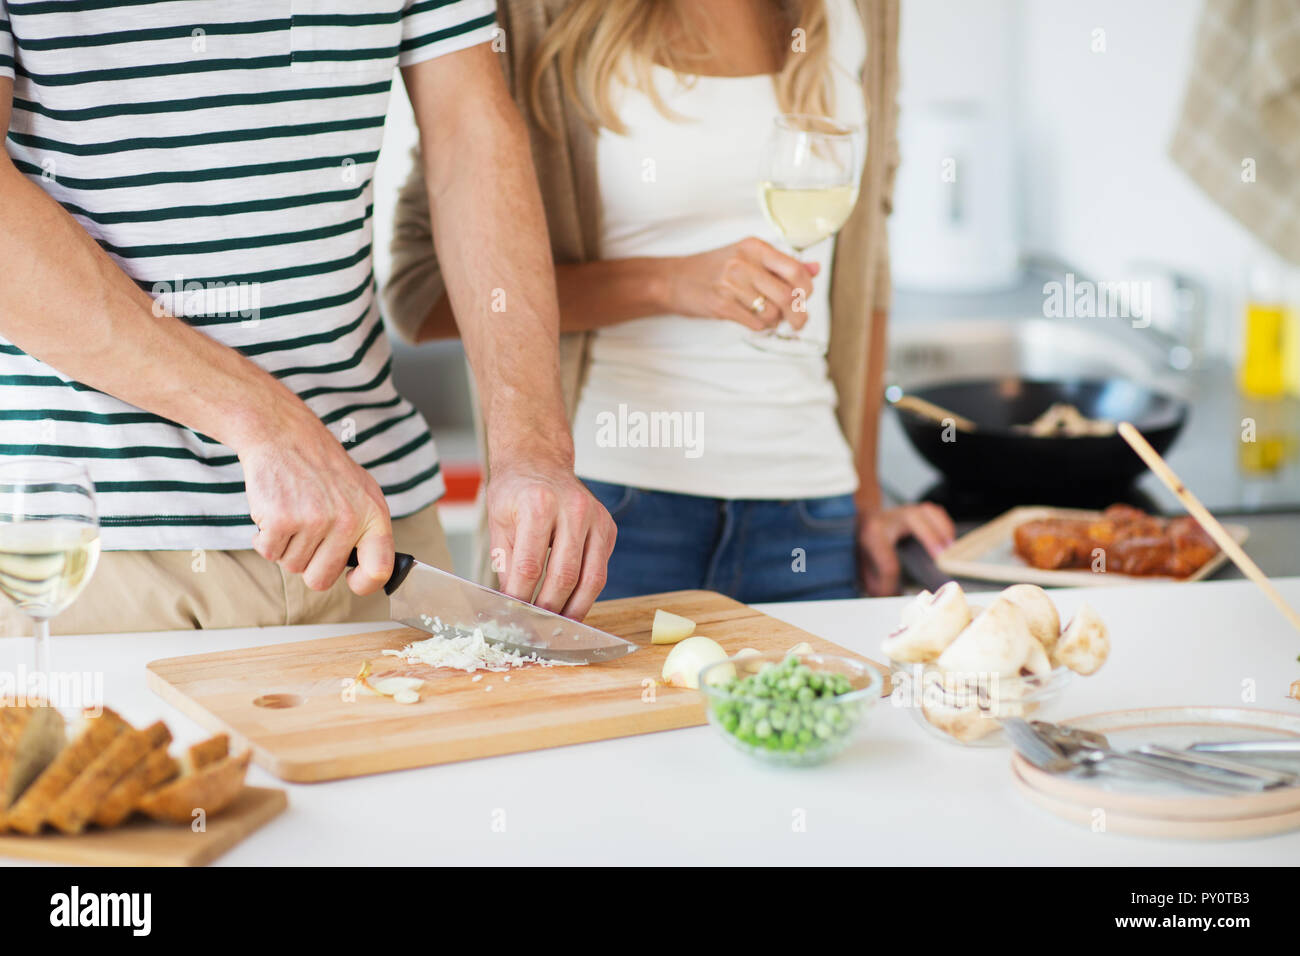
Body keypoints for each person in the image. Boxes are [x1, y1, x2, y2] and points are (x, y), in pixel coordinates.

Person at [0, 1, 614, 636]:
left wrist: (532, 448)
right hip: (86, 546)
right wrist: (263, 422)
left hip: (375, 536)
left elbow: (471, 133)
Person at [387, 0, 954, 602]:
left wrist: (868, 499)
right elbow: (422, 295)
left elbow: (869, 269)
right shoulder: (528, 16)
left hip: (812, 512)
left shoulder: (867, 11)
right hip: (607, 515)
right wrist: (668, 283)